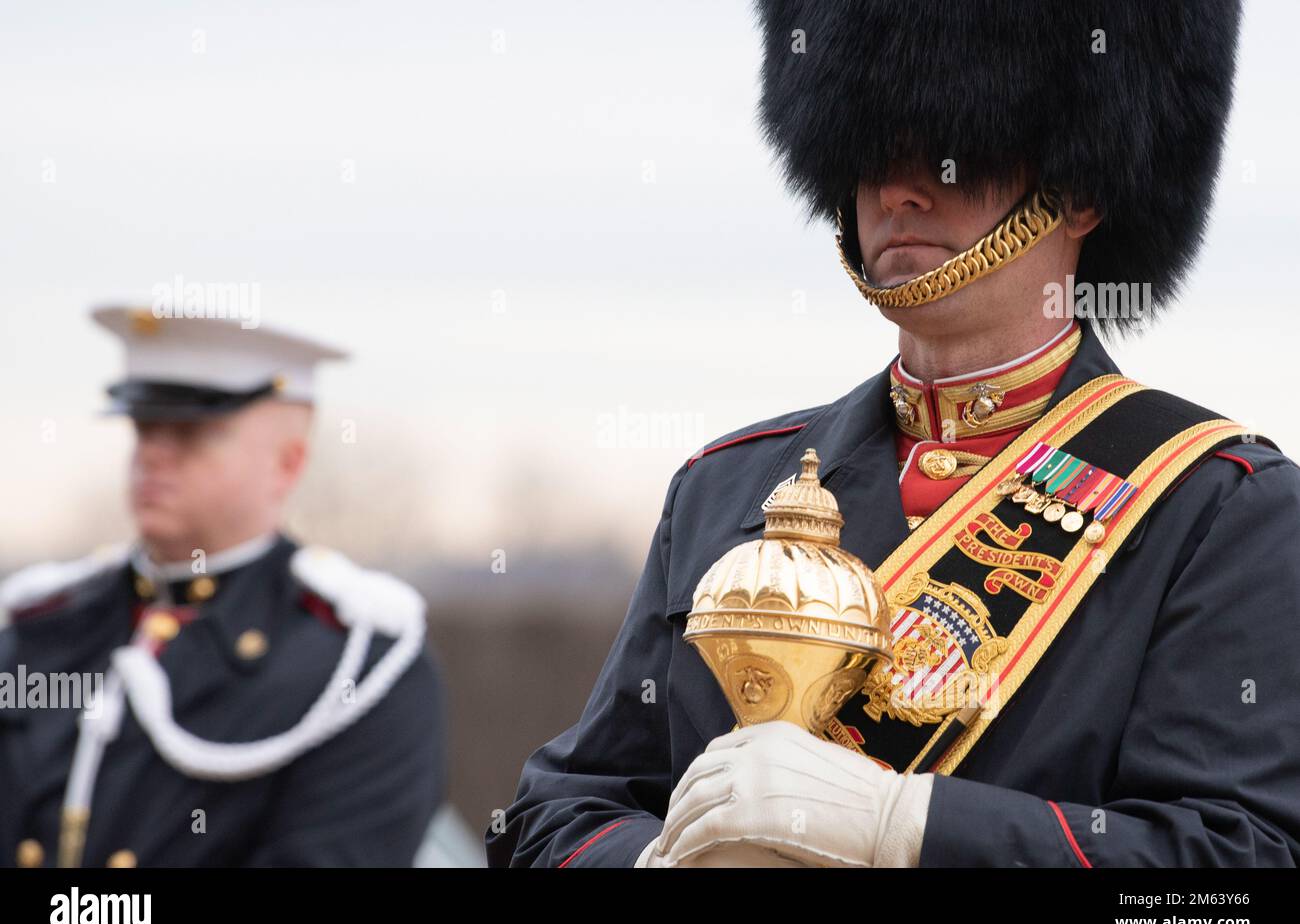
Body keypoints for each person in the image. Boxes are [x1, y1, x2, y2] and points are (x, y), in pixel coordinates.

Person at [487, 0, 1300, 867]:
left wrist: (911, 825)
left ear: (1081, 189)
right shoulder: (722, 487)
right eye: (870, 150)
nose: (896, 190)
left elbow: (1223, 882)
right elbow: (556, 818)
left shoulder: (1219, 509)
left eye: (956, 151)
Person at [0, 306, 446, 867]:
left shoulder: (356, 661)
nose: (154, 453)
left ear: (287, 464)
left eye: (191, 431)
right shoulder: (47, 624)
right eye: (144, 426)